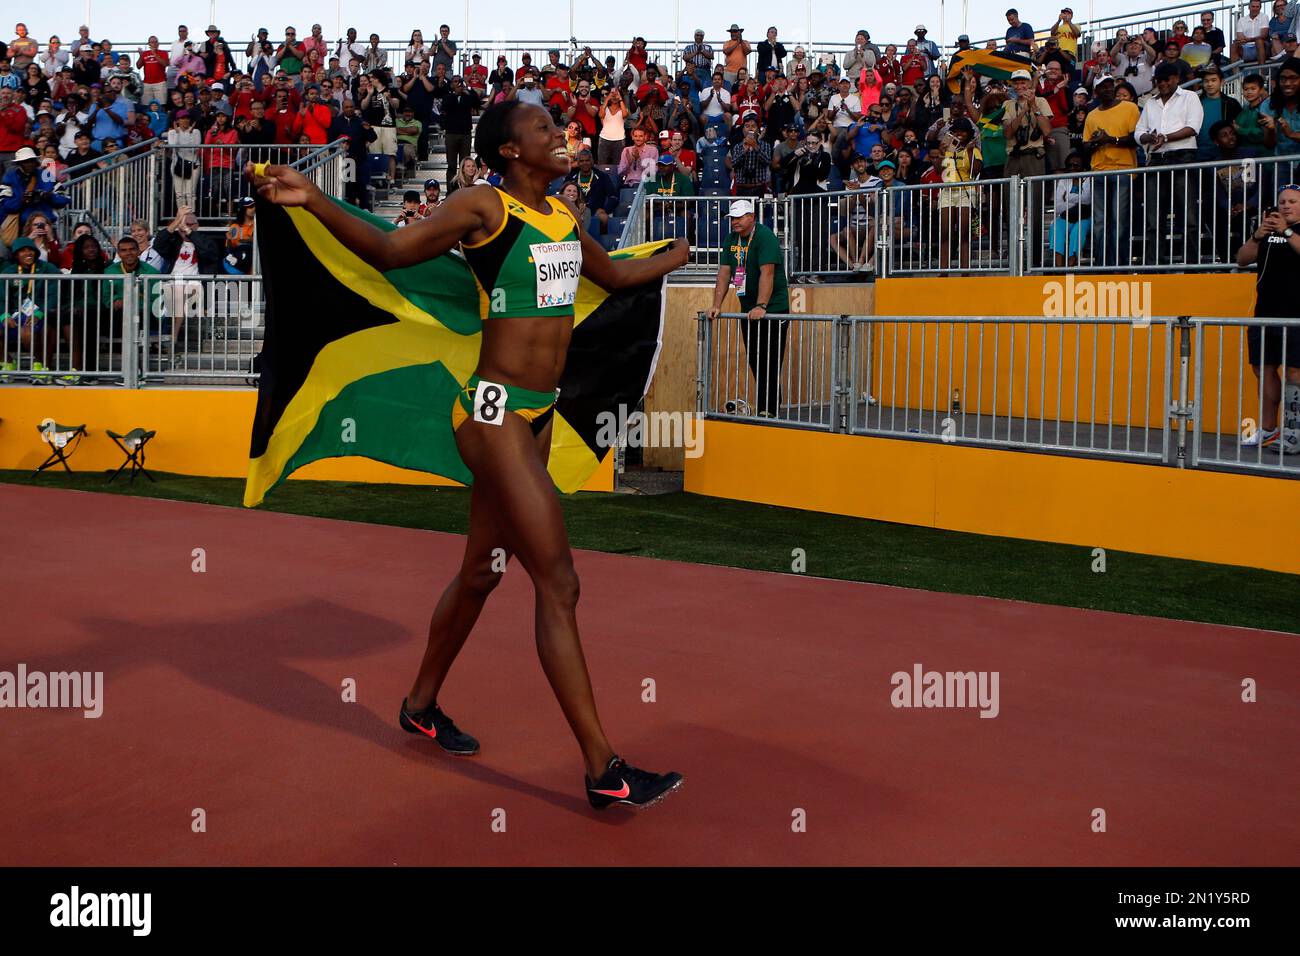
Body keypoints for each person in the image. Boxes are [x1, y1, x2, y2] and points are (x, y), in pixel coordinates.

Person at [247, 98, 689, 808]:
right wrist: (315, 200)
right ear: (512, 151)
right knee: (560, 582)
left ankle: (420, 704)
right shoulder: (483, 206)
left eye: (557, 126)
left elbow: (611, 280)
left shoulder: (567, 216)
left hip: (537, 415)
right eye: (544, 129)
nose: (560, 135)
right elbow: (392, 253)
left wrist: (675, 256)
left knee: (482, 573)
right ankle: (605, 770)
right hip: (492, 414)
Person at [707, 198, 790, 417]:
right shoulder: (730, 239)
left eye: (739, 217)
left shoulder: (765, 236)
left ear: (752, 217)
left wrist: (762, 305)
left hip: (773, 309)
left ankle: (769, 410)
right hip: (748, 310)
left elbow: (768, 272)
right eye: (732, 218)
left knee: (770, 360)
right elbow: (724, 273)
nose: (735, 222)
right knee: (756, 358)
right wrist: (716, 305)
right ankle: (766, 407)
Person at [1236, 185, 1300, 453]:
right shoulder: (1267, 231)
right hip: (1265, 311)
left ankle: (1293, 433)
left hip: (1296, 313)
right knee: (1263, 370)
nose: (1285, 206)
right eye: (1282, 201)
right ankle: (1269, 428)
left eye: (1292, 201)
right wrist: (1257, 235)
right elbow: (1241, 259)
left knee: (1295, 372)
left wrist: (1286, 231)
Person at [1083, 75, 1139, 267]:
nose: (1107, 89)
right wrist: (1095, 142)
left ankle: (1119, 266)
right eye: (1102, 87)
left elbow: (1135, 139)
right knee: (1099, 223)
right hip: (1098, 172)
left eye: (1109, 85)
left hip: (1123, 170)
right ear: (1096, 91)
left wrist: (1110, 139)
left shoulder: (1130, 108)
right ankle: (1101, 266)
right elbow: (1085, 146)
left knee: (1119, 221)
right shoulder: (1091, 115)